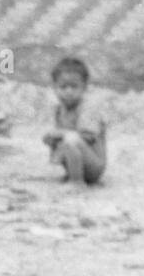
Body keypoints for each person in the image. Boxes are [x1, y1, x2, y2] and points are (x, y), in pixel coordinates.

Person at [42, 56, 107, 185]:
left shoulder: (88, 108)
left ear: (84, 88)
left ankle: (76, 182)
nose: (69, 91)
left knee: (71, 139)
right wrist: (51, 138)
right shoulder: (59, 109)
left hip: (93, 166)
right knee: (60, 137)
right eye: (63, 87)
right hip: (76, 160)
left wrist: (61, 134)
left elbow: (88, 136)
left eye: (74, 87)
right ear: (55, 87)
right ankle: (72, 174)